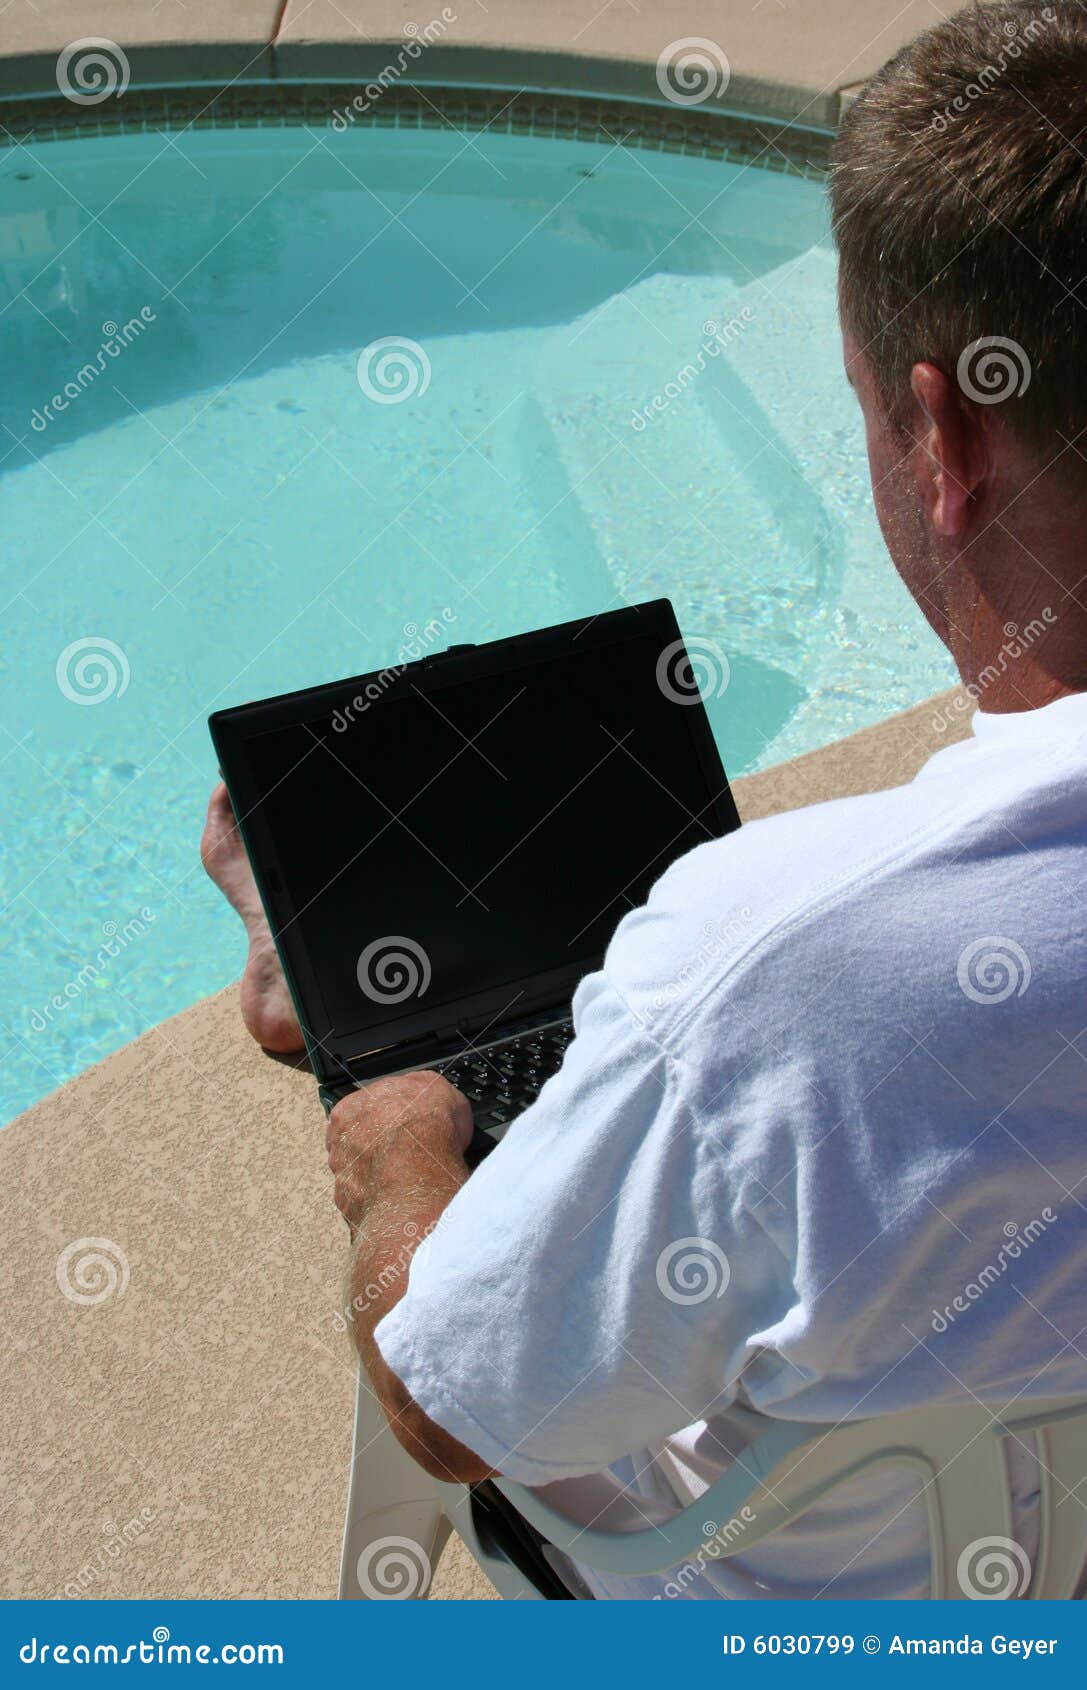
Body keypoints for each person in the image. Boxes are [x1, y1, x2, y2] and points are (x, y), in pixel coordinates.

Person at [203, 0, 1087, 1598]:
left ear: (945, 432)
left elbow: (442, 1388)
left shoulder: (772, 971)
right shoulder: (781, 964)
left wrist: (406, 1147)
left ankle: (325, 975)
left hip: (832, 1606)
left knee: (412, 1128)